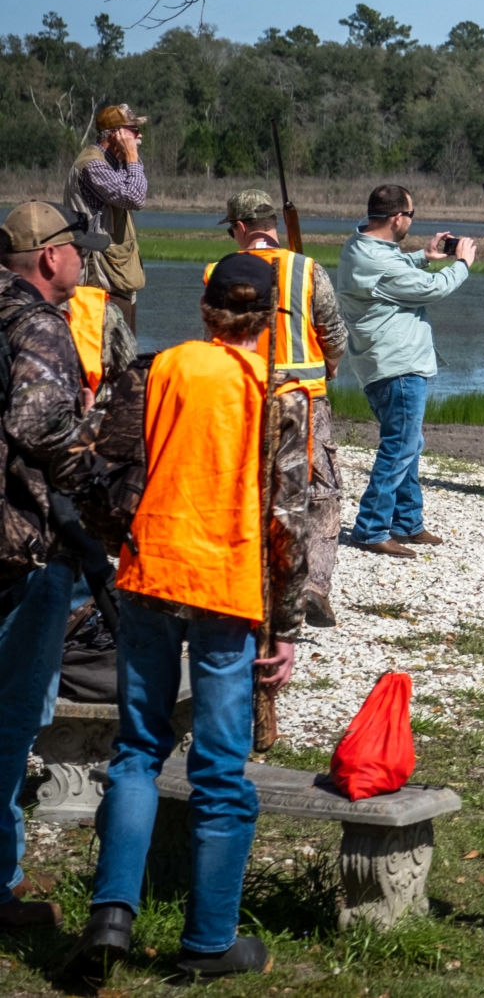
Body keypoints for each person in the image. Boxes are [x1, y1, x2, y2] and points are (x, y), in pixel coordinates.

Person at [69, 254, 304, 984]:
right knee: (221, 768)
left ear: (205, 310)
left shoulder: (154, 368)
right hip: (227, 591)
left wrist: (118, 547)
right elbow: (287, 521)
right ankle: (208, 940)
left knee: (139, 748)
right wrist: (288, 624)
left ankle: (112, 911)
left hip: (149, 574)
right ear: (268, 322)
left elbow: (102, 467)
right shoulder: (281, 393)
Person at [0, 203, 115, 932]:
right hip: (19, 546)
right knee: (16, 718)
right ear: (47, 258)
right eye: (77, 248)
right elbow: (36, 420)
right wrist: (95, 478)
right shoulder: (38, 322)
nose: (84, 259)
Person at [217, 188, 350, 627]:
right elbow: (334, 333)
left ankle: (254, 584)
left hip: (245, 399)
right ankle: (314, 587)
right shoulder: (307, 269)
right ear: (273, 225)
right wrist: (329, 367)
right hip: (308, 402)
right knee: (321, 493)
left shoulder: (219, 271)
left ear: (239, 229)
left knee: (253, 490)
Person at [336, 184, 476, 558]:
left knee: (409, 444)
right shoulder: (378, 262)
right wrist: (461, 264)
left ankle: (407, 523)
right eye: (411, 215)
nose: (412, 222)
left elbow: (394, 270)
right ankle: (370, 528)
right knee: (399, 446)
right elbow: (430, 289)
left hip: (386, 363)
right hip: (396, 366)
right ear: (398, 217)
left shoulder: (360, 245)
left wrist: (424, 255)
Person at [63, 104, 150, 332]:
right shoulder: (93, 164)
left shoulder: (114, 163)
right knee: (109, 359)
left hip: (117, 276)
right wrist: (132, 156)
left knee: (127, 356)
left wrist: (130, 158)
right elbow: (135, 198)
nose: (139, 135)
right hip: (101, 280)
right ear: (115, 134)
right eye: (133, 129)